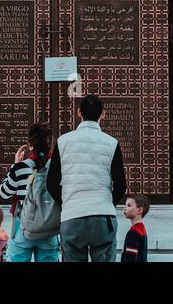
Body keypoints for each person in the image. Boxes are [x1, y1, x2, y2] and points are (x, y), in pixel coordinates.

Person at [46, 94, 126, 262]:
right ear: (103, 114)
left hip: (72, 216)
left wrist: (67, 201)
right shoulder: (111, 143)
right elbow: (120, 185)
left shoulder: (63, 141)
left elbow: (52, 183)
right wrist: (106, 203)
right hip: (103, 217)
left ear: (78, 112)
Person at [0, 123, 60, 262]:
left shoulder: (20, 168)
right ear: (50, 144)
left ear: (30, 144)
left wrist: (14, 165)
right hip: (49, 227)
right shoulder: (57, 168)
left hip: (24, 227)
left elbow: (3, 193)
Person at [120, 194, 150, 262]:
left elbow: (130, 258)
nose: (125, 208)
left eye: (129, 205)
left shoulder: (134, 232)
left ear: (139, 210)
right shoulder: (141, 229)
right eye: (125, 205)